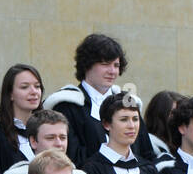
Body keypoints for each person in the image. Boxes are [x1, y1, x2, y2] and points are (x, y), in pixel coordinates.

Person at [45, 33, 154, 164]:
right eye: (105, 64)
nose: (112, 71)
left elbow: (146, 153)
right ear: (87, 65)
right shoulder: (67, 106)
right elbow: (70, 156)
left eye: (116, 65)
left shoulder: (128, 102)